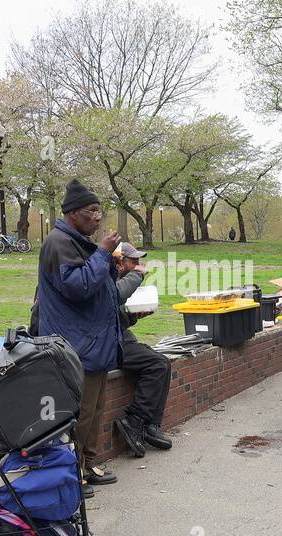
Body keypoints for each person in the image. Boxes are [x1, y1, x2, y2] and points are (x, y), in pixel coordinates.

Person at [34, 179, 122, 494]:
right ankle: (70, 474)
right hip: (74, 345)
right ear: (72, 213)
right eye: (91, 212)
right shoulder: (58, 242)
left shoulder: (77, 241)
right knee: (78, 413)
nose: (98, 218)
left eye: (100, 211)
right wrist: (102, 254)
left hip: (92, 343)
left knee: (95, 409)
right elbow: (78, 287)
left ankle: (88, 464)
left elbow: (95, 285)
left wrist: (114, 268)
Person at [111, 242, 174, 457]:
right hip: (106, 344)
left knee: (162, 362)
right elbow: (105, 321)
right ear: (120, 263)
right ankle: (135, 419)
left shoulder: (122, 282)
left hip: (116, 337)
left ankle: (151, 424)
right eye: (134, 261)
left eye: (139, 260)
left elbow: (116, 321)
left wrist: (132, 317)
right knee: (157, 363)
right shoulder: (112, 282)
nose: (139, 265)